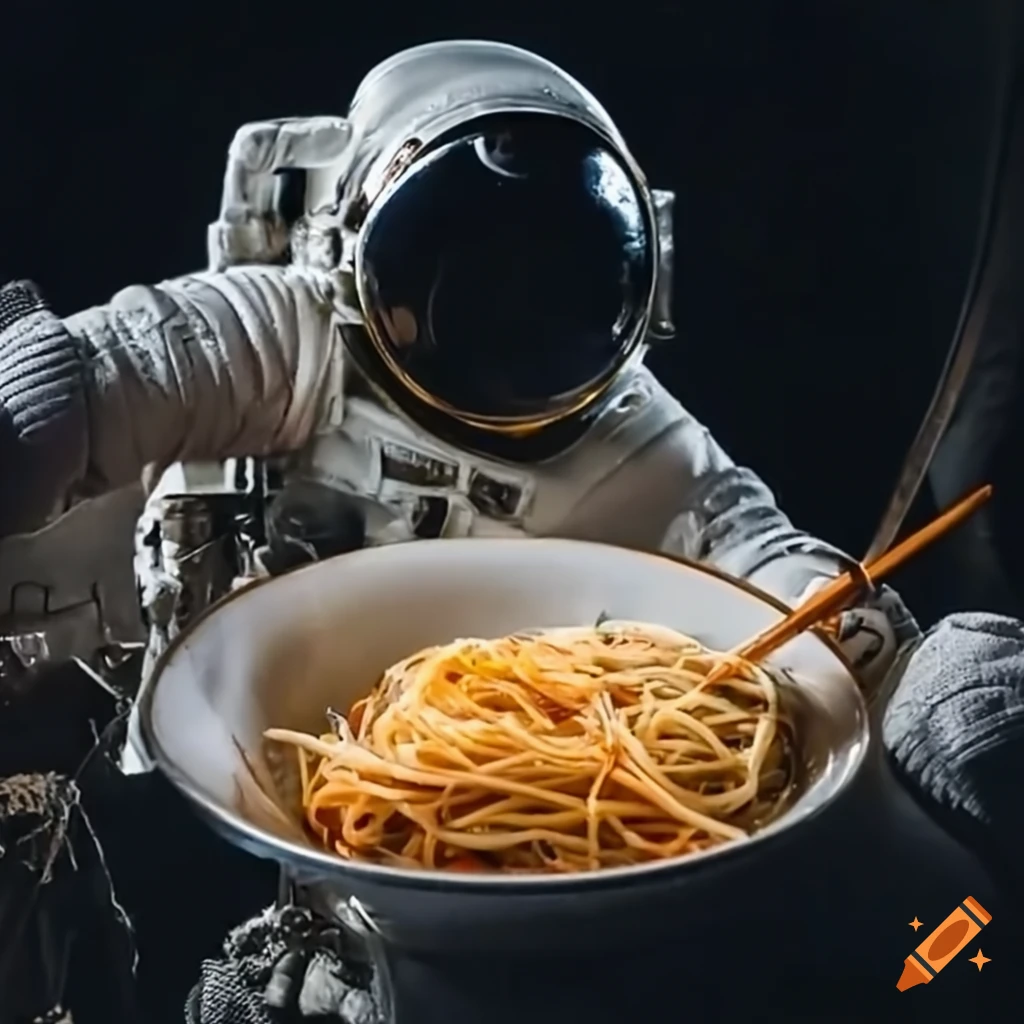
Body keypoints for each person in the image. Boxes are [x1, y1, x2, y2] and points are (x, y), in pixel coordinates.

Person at [0, 40, 956, 1024]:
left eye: (544, 276)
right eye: (474, 272)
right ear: (356, 246)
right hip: (284, 790)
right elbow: (144, 359)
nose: (511, 311)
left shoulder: (635, 440)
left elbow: (777, 573)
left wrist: (916, 678)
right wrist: (31, 405)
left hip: (517, 884)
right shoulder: (299, 335)